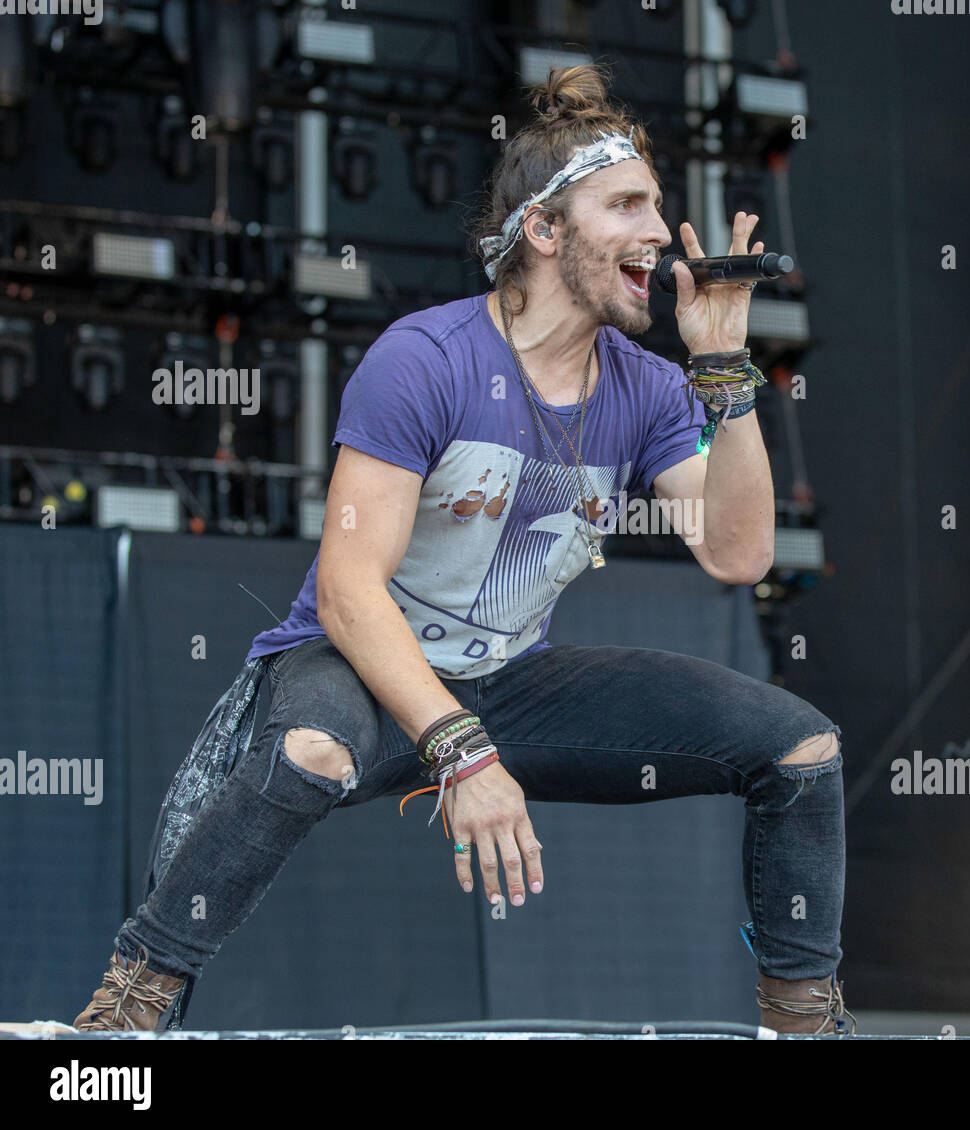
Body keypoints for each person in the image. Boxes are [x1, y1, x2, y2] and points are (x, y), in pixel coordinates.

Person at [74, 63, 852, 1037]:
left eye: (656, 204)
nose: (660, 230)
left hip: (507, 676)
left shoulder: (649, 389)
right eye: (627, 204)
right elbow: (351, 591)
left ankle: (805, 1024)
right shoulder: (427, 358)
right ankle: (129, 1007)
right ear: (543, 230)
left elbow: (738, 556)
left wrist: (726, 375)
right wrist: (458, 747)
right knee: (310, 749)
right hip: (361, 663)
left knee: (801, 748)